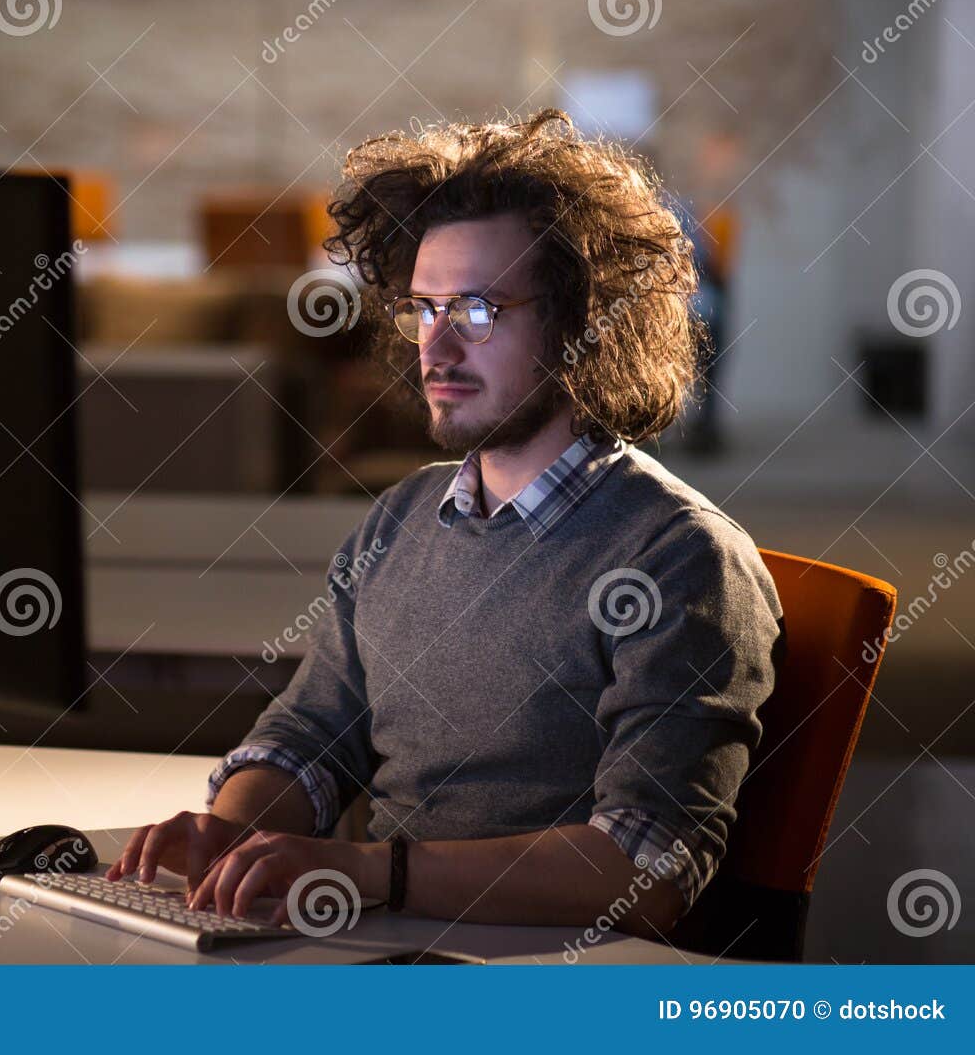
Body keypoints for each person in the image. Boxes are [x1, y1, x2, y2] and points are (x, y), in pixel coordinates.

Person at [106, 110, 783, 939]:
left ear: (583, 325)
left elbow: (644, 870)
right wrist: (233, 829)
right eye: (424, 309)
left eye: (477, 310)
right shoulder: (399, 518)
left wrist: (371, 872)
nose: (436, 347)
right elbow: (311, 731)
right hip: (377, 943)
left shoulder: (683, 557)